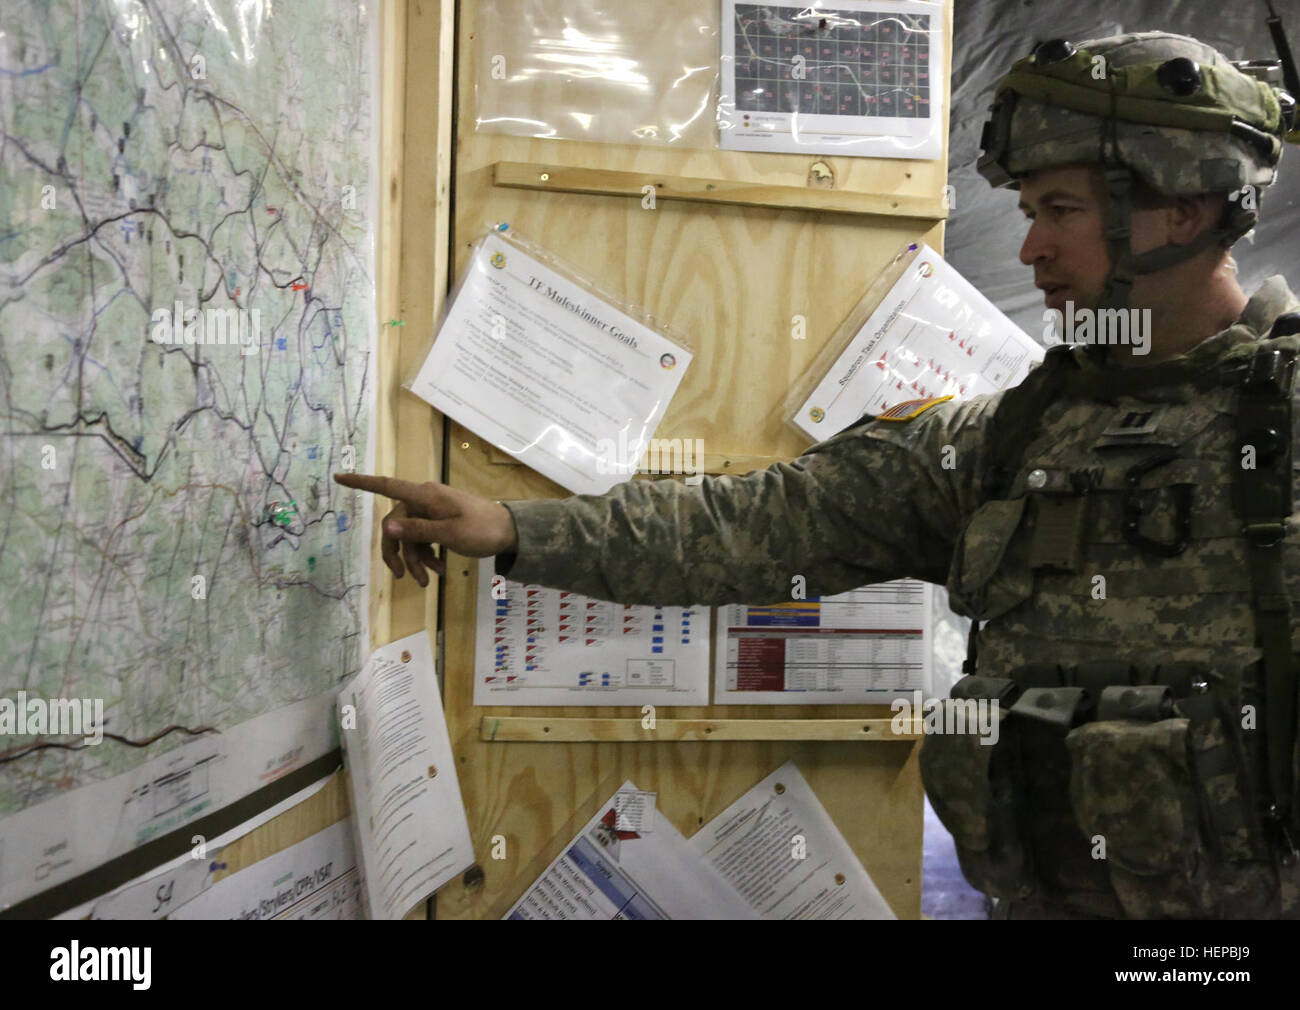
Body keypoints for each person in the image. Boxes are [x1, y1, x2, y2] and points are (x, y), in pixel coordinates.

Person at [336, 31, 1300, 919]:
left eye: (1062, 211)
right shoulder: (1017, 438)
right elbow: (762, 526)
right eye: (1028, 211)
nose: (1031, 247)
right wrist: (509, 527)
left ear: (1182, 207)